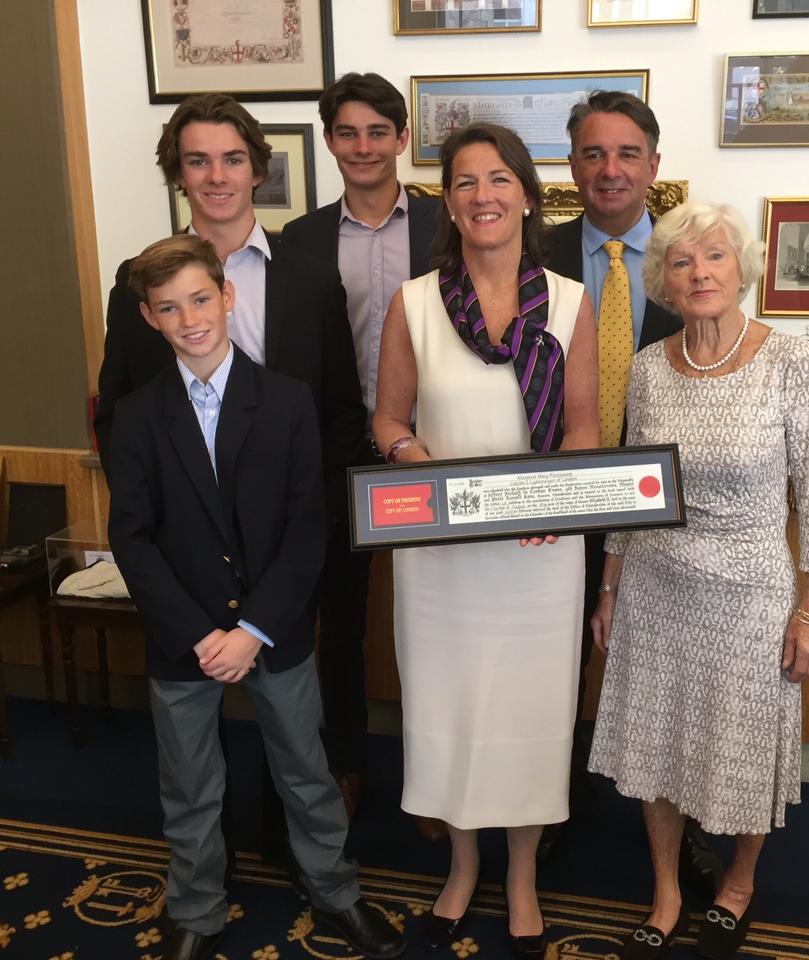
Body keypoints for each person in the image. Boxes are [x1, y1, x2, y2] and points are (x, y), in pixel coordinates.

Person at [106, 235, 404, 960]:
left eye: (201, 299)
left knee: (305, 770)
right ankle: (197, 908)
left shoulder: (286, 401)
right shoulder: (140, 416)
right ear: (149, 318)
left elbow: (306, 532)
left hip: (274, 629)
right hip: (186, 636)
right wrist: (200, 634)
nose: (190, 319)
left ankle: (335, 890)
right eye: (169, 308)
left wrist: (254, 630)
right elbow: (133, 538)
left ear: (228, 296)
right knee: (189, 784)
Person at [92, 93, 366, 864]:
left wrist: (310, 547)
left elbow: (341, 414)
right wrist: (150, 530)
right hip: (183, 561)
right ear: (177, 174)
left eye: (233, 158)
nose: (216, 176)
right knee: (190, 756)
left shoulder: (311, 280)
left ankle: (311, 864)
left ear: (258, 168)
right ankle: (202, 887)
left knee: (298, 737)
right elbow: (118, 415)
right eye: (197, 160)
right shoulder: (138, 283)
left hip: (289, 556)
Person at [372, 123, 599, 958]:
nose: (483, 195)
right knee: (450, 708)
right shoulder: (415, 302)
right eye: (464, 182)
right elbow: (388, 420)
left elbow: (583, 429)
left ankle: (525, 876)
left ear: (528, 195)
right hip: (440, 556)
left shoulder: (571, 301)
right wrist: (420, 466)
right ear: (450, 203)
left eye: (499, 178)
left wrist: (549, 499)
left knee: (532, 715)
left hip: (538, 554)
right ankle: (463, 866)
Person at [588, 201, 809, 960]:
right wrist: (609, 587)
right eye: (683, 260)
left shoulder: (790, 358)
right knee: (657, 746)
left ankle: (738, 881)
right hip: (657, 592)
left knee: (745, 743)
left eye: (715, 257)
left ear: (743, 268)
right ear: (663, 277)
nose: (700, 272)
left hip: (752, 594)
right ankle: (665, 892)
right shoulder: (646, 368)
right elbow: (636, 489)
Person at [542, 90, 705, 869]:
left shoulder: (691, 263)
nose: (610, 170)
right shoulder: (529, 254)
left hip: (665, 515)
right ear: (571, 163)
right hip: (555, 501)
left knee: (675, 671)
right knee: (550, 663)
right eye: (593, 153)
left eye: (627, 153)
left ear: (653, 165)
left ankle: (693, 828)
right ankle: (544, 806)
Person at [282, 72, 442, 833]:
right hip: (338, 462)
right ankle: (345, 766)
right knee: (340, 630)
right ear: (329, 142)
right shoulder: (301, 240)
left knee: (440, 620)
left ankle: (440, 781)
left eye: (379, 132)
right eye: (347, 133)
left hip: (430, 453)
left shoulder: (447, 223)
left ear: (403, 138)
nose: (364, 147)